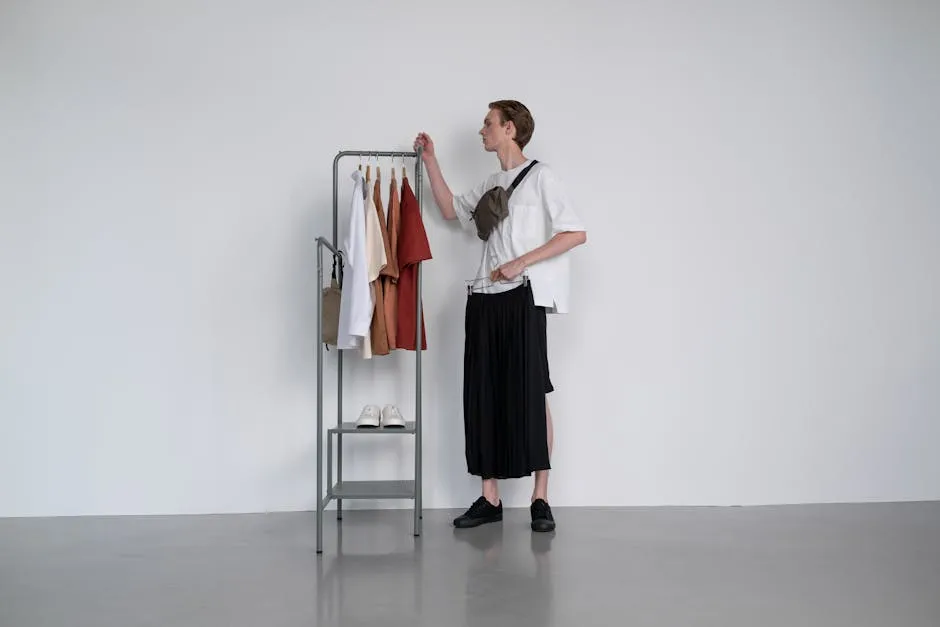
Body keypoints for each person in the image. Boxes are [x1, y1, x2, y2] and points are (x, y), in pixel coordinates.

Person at [414, 100, 587, 533]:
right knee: (484, 393)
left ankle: (540, 497)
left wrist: (521, 262)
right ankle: (489, 498)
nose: (482, 130)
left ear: (509, 129)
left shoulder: (542, 177)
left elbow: (574, 232)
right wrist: (431, 161)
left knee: (532, 391)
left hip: (522, 296)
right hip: (484, 296)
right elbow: (451, 209)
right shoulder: (492, 181)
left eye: (488, 123)